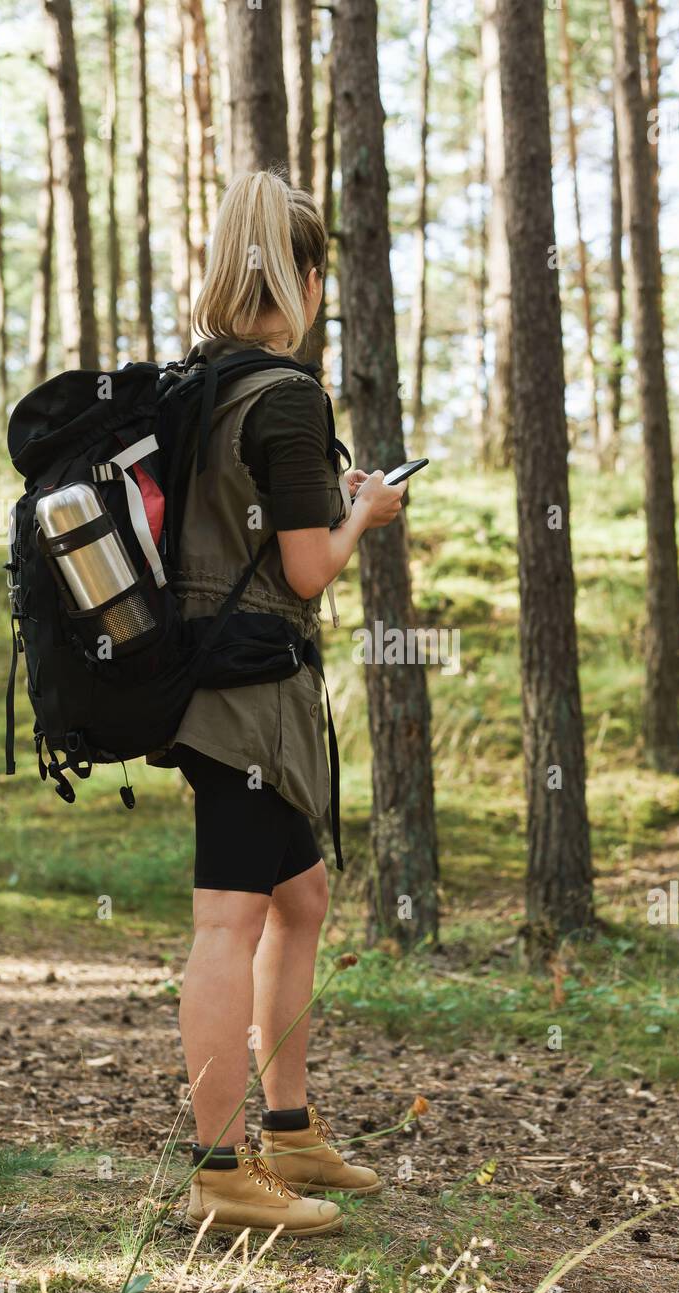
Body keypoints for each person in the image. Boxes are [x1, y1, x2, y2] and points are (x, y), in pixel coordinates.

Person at [151, 169, 406, 1236]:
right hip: (250, 696)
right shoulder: (290, 393)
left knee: (297, 898)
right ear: (305, 279)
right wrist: (367, 515)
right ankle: (219, 1167)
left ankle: (290, 1125)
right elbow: (305, 570)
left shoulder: (200, 382)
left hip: (207, 680)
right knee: (228, 919)